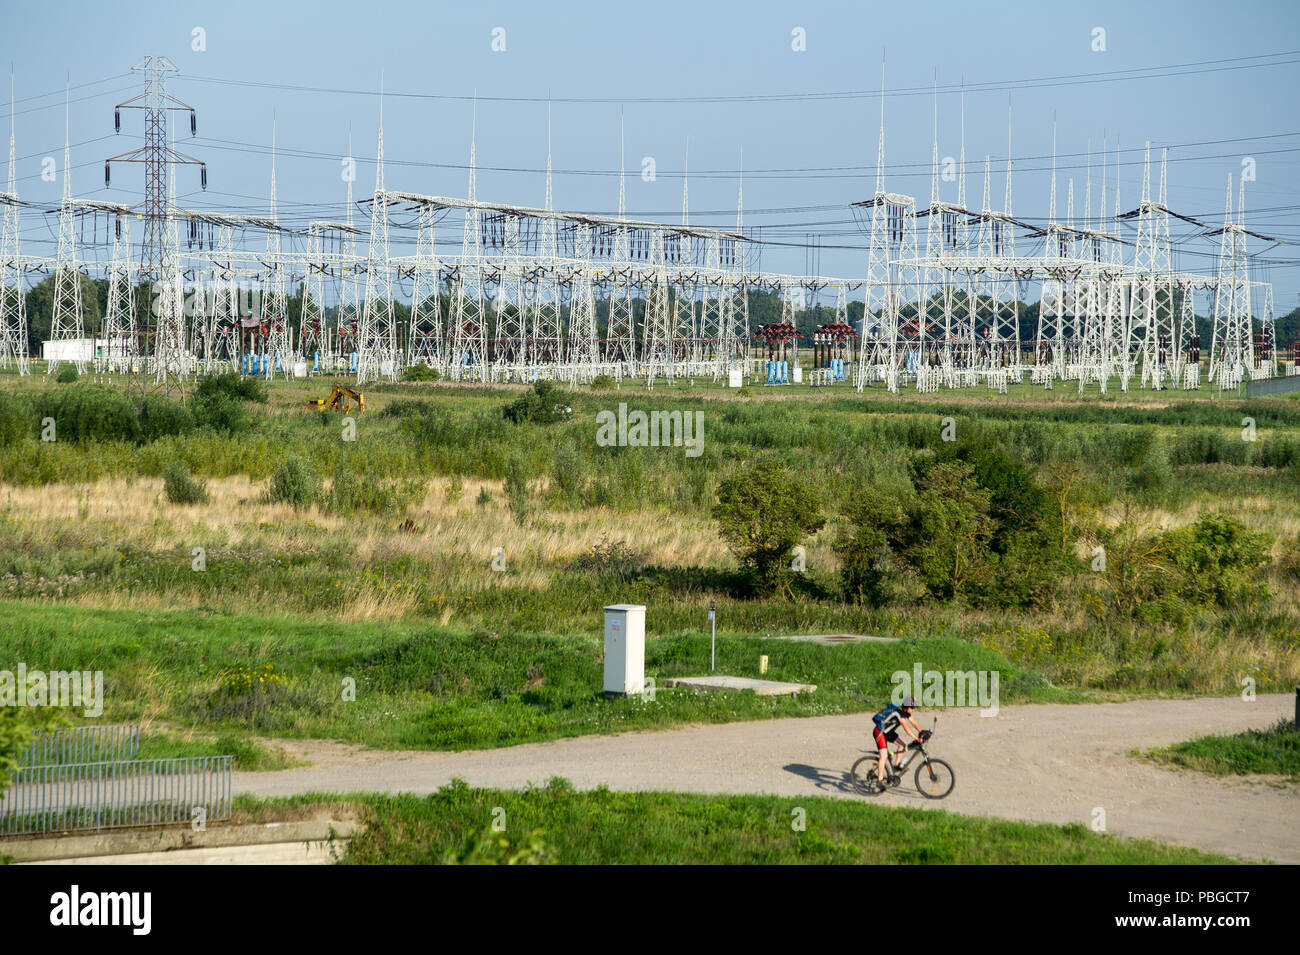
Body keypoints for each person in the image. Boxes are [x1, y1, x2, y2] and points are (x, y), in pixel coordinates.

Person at [872, 697, 922, 786]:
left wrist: (921, 732)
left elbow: (914, 722)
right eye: (912, 708)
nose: (914, 710)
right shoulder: (898, 713)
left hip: (888, 732)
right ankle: (880, 780)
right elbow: (906, 727)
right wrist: (916, 738)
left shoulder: (905, 713)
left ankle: (896, 766)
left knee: (902, 745)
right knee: (883, 755)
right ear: (906, 707)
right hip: (880, 732)